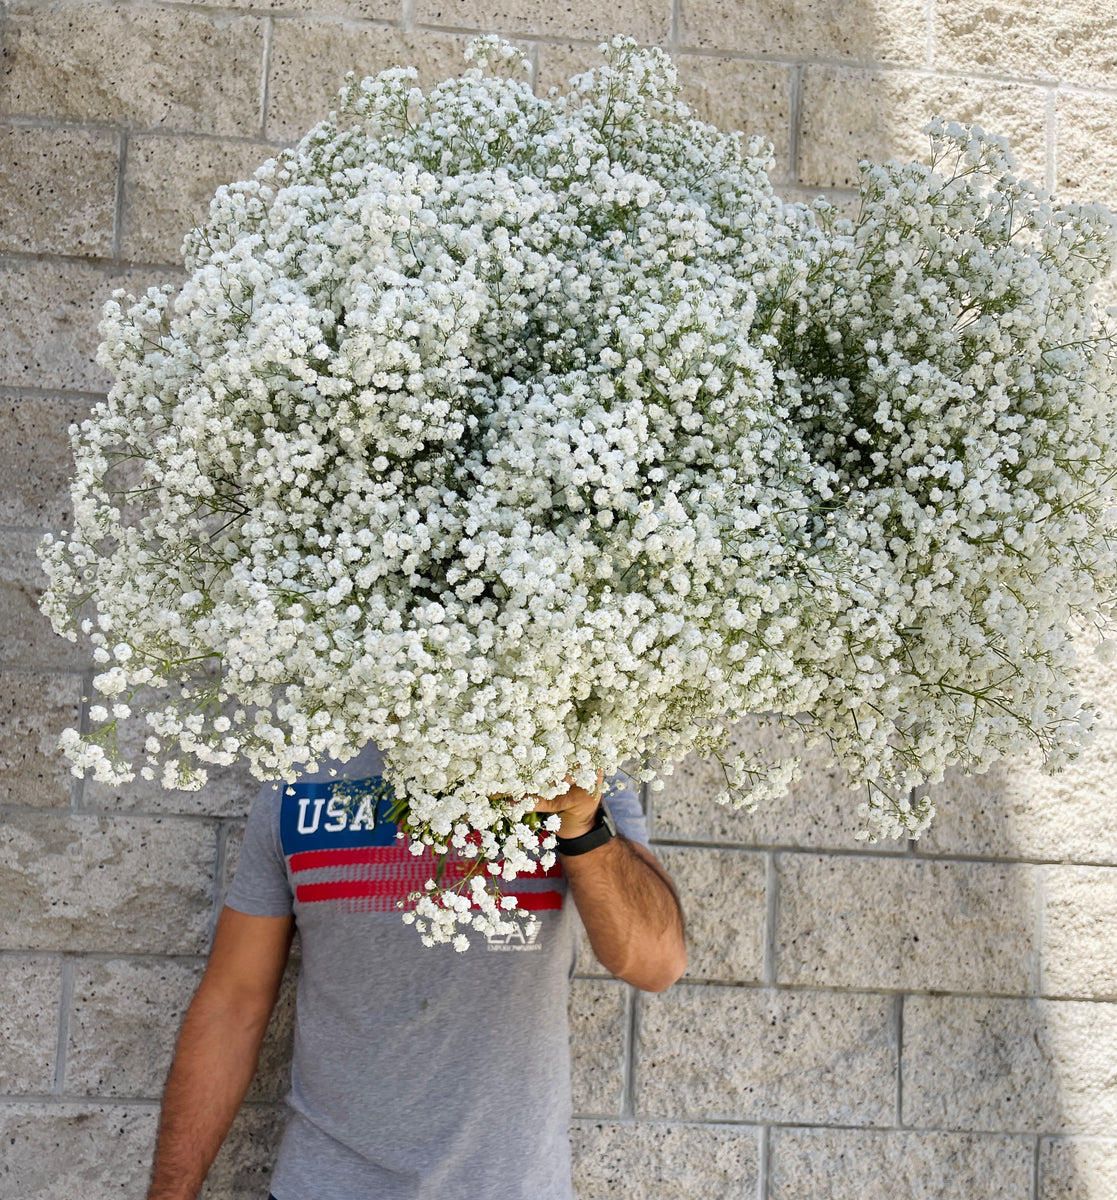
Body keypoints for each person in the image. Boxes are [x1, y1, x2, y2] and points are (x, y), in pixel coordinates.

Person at [145, 742, 686, 1200]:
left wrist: (584, 827)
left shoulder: (573, 763)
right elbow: (232, 1004)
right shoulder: (302, 774)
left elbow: (657, 963)